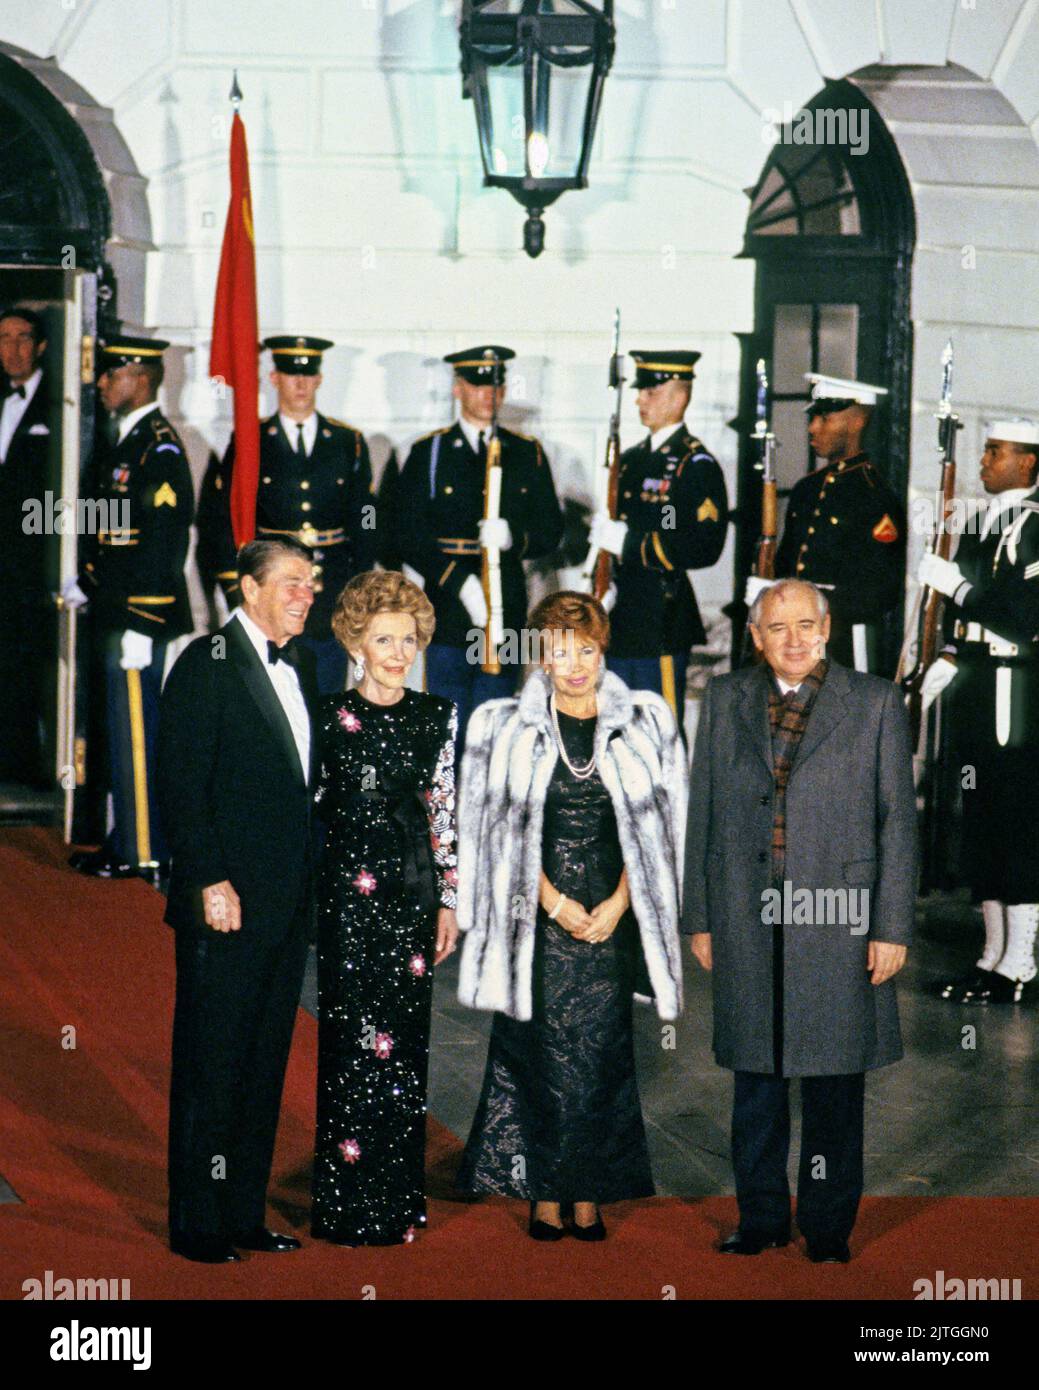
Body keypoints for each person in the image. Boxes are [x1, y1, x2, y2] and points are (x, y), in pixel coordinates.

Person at [682, 579, 917, 1263]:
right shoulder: (725, 702)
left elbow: (897, 822)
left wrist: (892, 926)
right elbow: (702, 811)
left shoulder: (873, 702)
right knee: (755, 1079)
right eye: (776, 626)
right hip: (745, 912)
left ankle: (825, 1228)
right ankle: (758, 1219)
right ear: (754, 636)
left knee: (834, 1084)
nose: (792, 638)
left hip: (840, 920)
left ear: (827, 628)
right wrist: (701, 915)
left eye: (805, 624)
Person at [456, 590, 686, 1240]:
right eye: (560, 651)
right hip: (537, 918)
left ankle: (588, 1192)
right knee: (540, 1054)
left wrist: (619, 905)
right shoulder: (505, 727)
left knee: (601, 1057)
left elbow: (663, 832)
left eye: (585, 649)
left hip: (613, 916)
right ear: (541, 656)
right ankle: (544, 1194)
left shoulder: (645, 722)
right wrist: (552, 902)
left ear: (602, 647)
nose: (576, 663)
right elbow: (493, 833)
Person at [157, 536, 318, 1263]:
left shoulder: (305, 664)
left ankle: (243, 1213)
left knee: (262, 1062)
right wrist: (208, 879)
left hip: (286, 903)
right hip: (225, 901)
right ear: (248, 589)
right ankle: (197, 1222)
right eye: (290, 582)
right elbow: (181, 785)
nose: (304, 593)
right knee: (210, 1062)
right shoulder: (206, 662)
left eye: (310, 584)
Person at [311, 569, 458, 1245]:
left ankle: (397, 1201)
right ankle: (344, 1203)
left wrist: (449, 904)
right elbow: (309, 814)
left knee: (401, 1052)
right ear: (356, 643)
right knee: (348, 1045)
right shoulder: (327, 718)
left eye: (407, 638)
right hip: (345, 900)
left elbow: (444, 816)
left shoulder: (435, 717)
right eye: (383, 638)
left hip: (411, 898)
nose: (398, 652)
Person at [918, 419, 1039, 1004]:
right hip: (976, 685)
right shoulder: (981, 523)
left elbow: (1023, 614)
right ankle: (990, 957)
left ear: (1029, 462)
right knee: (982, 823)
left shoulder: (1034, 528)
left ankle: (1020, 963)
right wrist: (944, 651)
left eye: (997, 451)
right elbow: (966, 616)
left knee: (1015, 824)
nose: (984, 461)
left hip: (1015, 696)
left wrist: (957, 589)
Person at [67, 335, 193, 884]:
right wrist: (88, 580)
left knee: (138, 733)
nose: (100, 382)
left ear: (139, 378)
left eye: (109, 373)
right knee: (123, 731)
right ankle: (129, 838)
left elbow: (164, 542)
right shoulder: (128, 441)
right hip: (117, 610)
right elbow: (112, 528)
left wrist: (143, 624)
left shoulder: (159, 447)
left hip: (142, 617)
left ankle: (144, 852)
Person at [396, 345, 564, 748]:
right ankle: (446, 810)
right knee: (446, 724)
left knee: (500, 721)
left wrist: (513, 537)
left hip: (507, 605)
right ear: (457, 388)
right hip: (448, 608)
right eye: (476, 385)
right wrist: (459, 582)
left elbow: (552, 530)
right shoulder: (429, 453)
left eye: (495, 385)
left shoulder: (526, 452)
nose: (488, 394)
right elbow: (406, 533)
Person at [196, 335, 378, 693]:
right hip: (273, 599)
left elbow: (367, 517)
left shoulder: (348, 442)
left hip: (330, 599)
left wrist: (357, 590)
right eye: (290, 375)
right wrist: (238, 593)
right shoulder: (251, 440)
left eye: (308, 376)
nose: (300, 384)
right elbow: (224, 520)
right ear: (274, 378)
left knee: (326, 706)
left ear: (320, 380)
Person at [588, 350, 728, 724]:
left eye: (650, 392)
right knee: (615, 724)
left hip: (660, 617)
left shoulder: (693, 465)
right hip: (619, 617)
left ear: (678, 397)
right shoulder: (631, 461)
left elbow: (697, 543)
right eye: (640, 392)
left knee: (659, 726)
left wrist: (629, 543)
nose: (639, 399)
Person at [747, 374, 905, 674]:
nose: (812, 428)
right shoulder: (807, 489)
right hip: (797, 641)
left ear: (857, 421)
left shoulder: (875, 497)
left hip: (843, 641)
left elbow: (880, 592)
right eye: (813, 418)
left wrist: (806, 602)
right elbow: (787, 563)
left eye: (825, 418)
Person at [0, 306, 56, 786]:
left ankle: (30, 768)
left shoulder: (61, 405)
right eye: (4, 338)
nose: (13, 349)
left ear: (40, 346)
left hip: (34, 564)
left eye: (23, 339)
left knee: (29, 666)